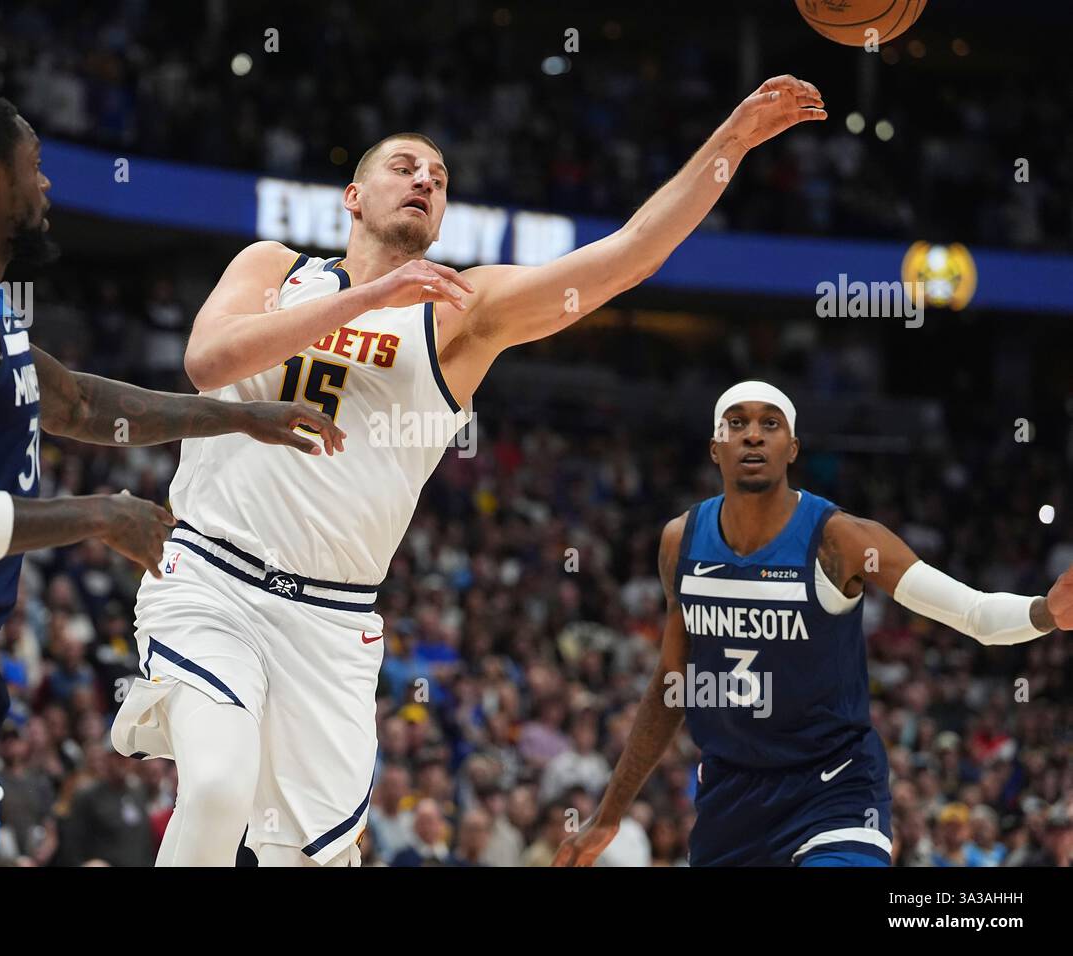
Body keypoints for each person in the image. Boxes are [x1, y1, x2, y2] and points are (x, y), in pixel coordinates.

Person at [113, 76, 833, 866]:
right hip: (211, 576)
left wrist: (729, 140)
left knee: (306, 857)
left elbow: (629, 256)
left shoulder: (460, 311)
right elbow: (207, 362)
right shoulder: (271, 266)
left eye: (441, 178)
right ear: (353, 196)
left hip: (330, 620)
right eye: (407, 167)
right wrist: (367, 297)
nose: (426, 180)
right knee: (215, 787)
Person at [0, 89, 342, 868]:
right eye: (35, 167)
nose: (46, 186)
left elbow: (84, 403)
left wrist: (238, 416)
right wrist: (100, 515)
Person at [554, 381, 1073, 867]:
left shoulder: (840, 540)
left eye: (770, 423)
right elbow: (672, 683)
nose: (753, 433)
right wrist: (610, 812)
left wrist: (1045, 613)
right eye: (735, 423)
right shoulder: (680, 541)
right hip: (730, 800)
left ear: (793, 448)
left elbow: (974, 612)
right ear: (716, 448)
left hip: (835, 788)